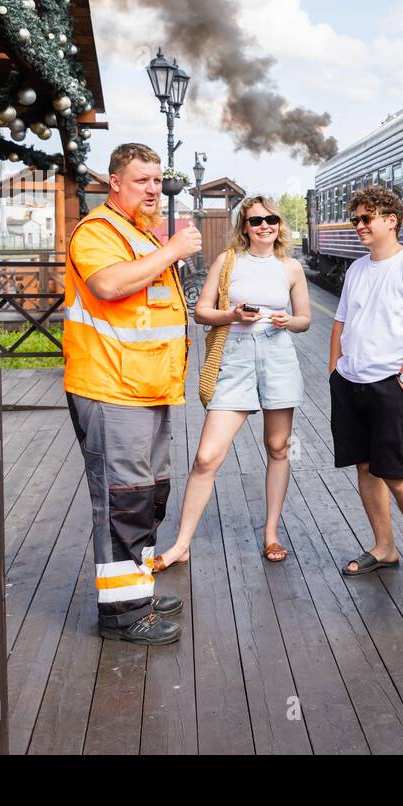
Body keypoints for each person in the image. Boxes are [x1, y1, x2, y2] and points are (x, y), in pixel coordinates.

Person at [63, 142, 202, 646]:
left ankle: (136, 586)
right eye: (141, 179)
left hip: (148, 388)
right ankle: (122, 614)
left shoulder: (140, 235)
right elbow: (108, 286)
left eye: (157, 179)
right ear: (114, 183)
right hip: (111, 387)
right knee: (119, 499)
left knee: (144, 496)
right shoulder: (98, 231)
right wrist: (172, 250)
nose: (153, 188)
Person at [153, 195, 311, 570]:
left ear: (279, 224)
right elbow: (201, 312)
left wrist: (288, 321)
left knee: (277, 448)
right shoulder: (228, 262)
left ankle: (271, 533)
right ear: (244, 226)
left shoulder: (290, 267)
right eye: (256, 221)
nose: (265, 226)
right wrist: (232, 314)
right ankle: (181, 545)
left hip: (277, 357)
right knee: (207, 457)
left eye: (271, 219)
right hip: (235, 359)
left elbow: (305, 318)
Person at [329, 185, 403, 585]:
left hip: (392, 384)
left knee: (395, 471)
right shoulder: (357, 269)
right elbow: (340, 322)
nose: (358, 225)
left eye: (366, 218)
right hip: (350, 382)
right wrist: (334, 371)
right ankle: (384, 548)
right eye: (355, 219)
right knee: (364, 466)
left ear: (390, 221)